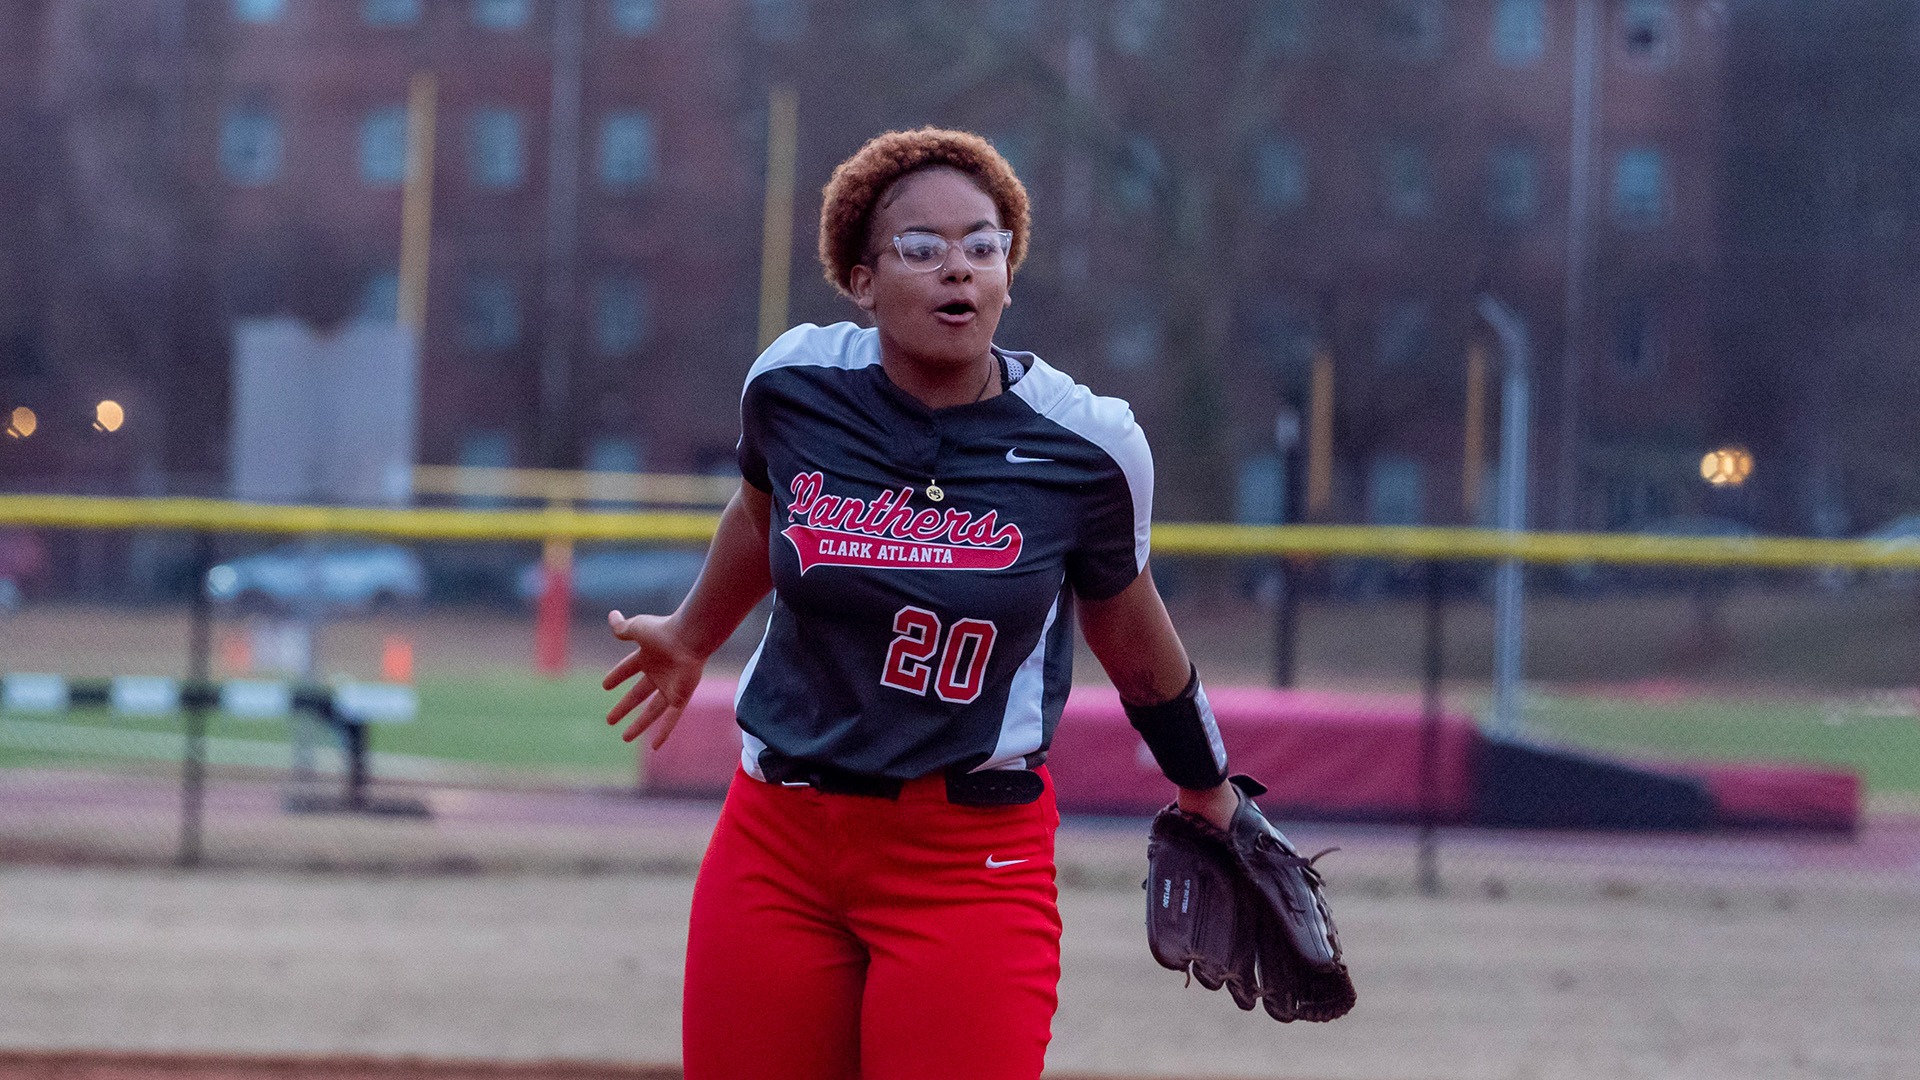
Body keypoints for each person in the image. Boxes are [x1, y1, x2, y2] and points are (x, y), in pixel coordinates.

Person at [603, 128, 1240, 1080]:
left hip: (968, 858)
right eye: (922, 247)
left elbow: (1129, 630)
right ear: (861, 280)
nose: (959, 270)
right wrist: (693, 633)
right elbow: (758, 514)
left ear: (1009, 277)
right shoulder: (795, 386)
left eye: (983, 247)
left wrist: (1207, 783)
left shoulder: (1087, 446)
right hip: (779, 838)